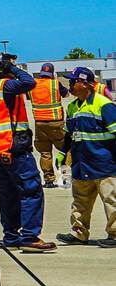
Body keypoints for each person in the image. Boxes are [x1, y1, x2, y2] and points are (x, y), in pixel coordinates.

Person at [0, 52, 55, 252]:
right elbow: (29, 82)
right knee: (31, 190)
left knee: (9, 195)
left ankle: (11, 237)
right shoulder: (7, 86)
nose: (16, 67)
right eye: (12, 64)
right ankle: (30, 236)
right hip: (15, 147)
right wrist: (11, 68)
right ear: (4, 67)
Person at [56, 66, 116, 247]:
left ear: (85, 84)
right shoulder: (73, 107)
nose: (71, 85)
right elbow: (68, 135)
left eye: (74, 81)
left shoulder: (103, 104)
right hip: (82, 164)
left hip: (104, 164)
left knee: (112, 200)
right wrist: (62, 154)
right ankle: (79, 233)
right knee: (80, 202)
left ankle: (114, 235)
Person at [30, 62, 68, 188]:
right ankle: (66, 177)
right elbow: (66, 94)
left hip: (40, 124)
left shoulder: (33, 84)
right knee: (66, 149)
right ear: (52, 73)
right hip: (56, 123)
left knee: (45, 152)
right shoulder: (55, 83)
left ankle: (49, 180)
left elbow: (29, 97)